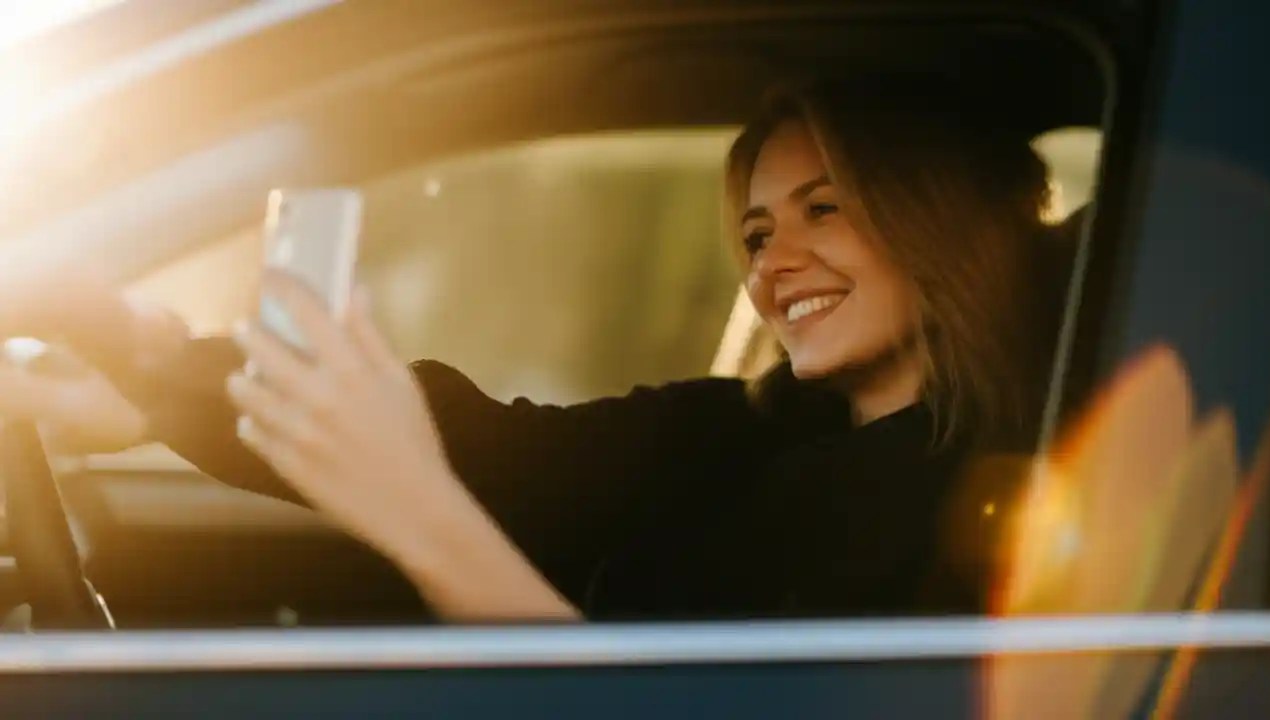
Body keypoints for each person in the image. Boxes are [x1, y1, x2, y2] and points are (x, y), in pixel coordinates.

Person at [0, 75, 1060, 621]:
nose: (774, 263)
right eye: (753, 234)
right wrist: (153, 373)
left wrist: (420, 516)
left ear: (933, 223)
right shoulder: (735, 431)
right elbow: (496, 451)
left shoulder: (990, 503)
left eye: (823, 210)